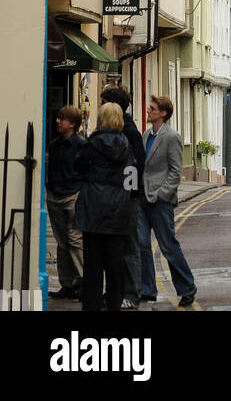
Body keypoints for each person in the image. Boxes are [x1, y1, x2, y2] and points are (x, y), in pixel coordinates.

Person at [73, 102, 136, 312]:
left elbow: (78, 167)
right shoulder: (127, 146)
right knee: (115, 265)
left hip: (93, 208)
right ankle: (114, 305)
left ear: (101, 119)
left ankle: (91, 306)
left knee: (93, 265)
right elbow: (132, 180)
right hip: (118, 209)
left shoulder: (92, 144)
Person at [138, 95, 197, 307]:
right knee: (142, 244)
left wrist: (162, 193)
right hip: (143, 198)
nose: (148, 111)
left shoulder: (172, 136)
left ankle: (187, 288)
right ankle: (147, 289)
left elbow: (175, 170)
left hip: (160, 200)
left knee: (168, 246)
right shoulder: (145, 135)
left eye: (152, 108)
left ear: (162, 113)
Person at [100, 85, 145, 310]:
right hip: (113, 198)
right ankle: (115, 291)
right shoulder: (115, 131)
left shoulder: (130, 132)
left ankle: (131, 293)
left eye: (104, 102)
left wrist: (127, 194)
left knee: (129, 247)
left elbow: (137, 167)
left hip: (127, 199)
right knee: (114, 247)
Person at [46, 105, 87, 299]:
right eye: (58, 118)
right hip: (55, 196)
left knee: (75, 240)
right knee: (62, 243)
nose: (57, 121)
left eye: (62, 118)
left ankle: (85, 282)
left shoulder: (81, 145)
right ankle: (67, 283)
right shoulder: (54, 145)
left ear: (72, 124)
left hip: (73, 196)